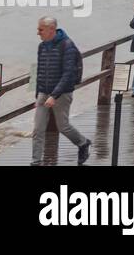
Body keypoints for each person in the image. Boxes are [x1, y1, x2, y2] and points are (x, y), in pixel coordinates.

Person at [32, 17, 91, 166]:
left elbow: (68, 74)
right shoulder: (41, 46)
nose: (38, 33)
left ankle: (83, 143)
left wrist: (54, 95)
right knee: (38, 129)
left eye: (41, 30)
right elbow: (39, 71)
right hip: (43, 93)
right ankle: (35, 162)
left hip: (62, 93)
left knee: (63, 126)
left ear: (51, 29)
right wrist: (37, 94)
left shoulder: (67, 45)